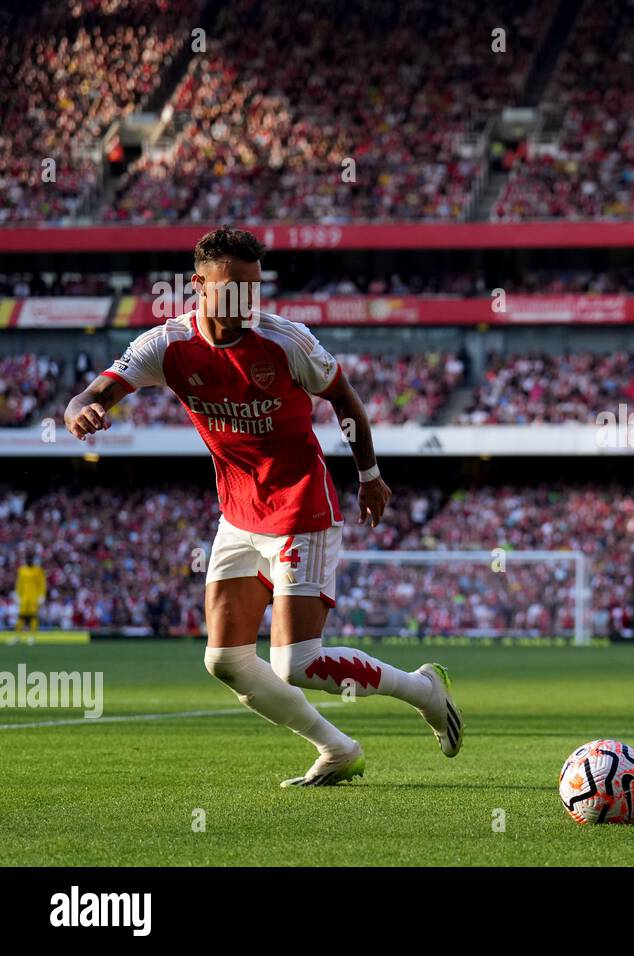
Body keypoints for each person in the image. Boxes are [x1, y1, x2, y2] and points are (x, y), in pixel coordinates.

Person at [64, 226, 462, 787]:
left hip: (302, 506)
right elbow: (95, 394)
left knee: (296, 662)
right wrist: (77, 412)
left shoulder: (285, 340)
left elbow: (344, 400)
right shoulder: (166, 346)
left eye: (253, 287)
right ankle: (338, 748)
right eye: (233, 287)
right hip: (239, 514)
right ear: (199, 286)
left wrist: (369, 475)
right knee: (225, 659)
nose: (247, 300)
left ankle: (423, 689)